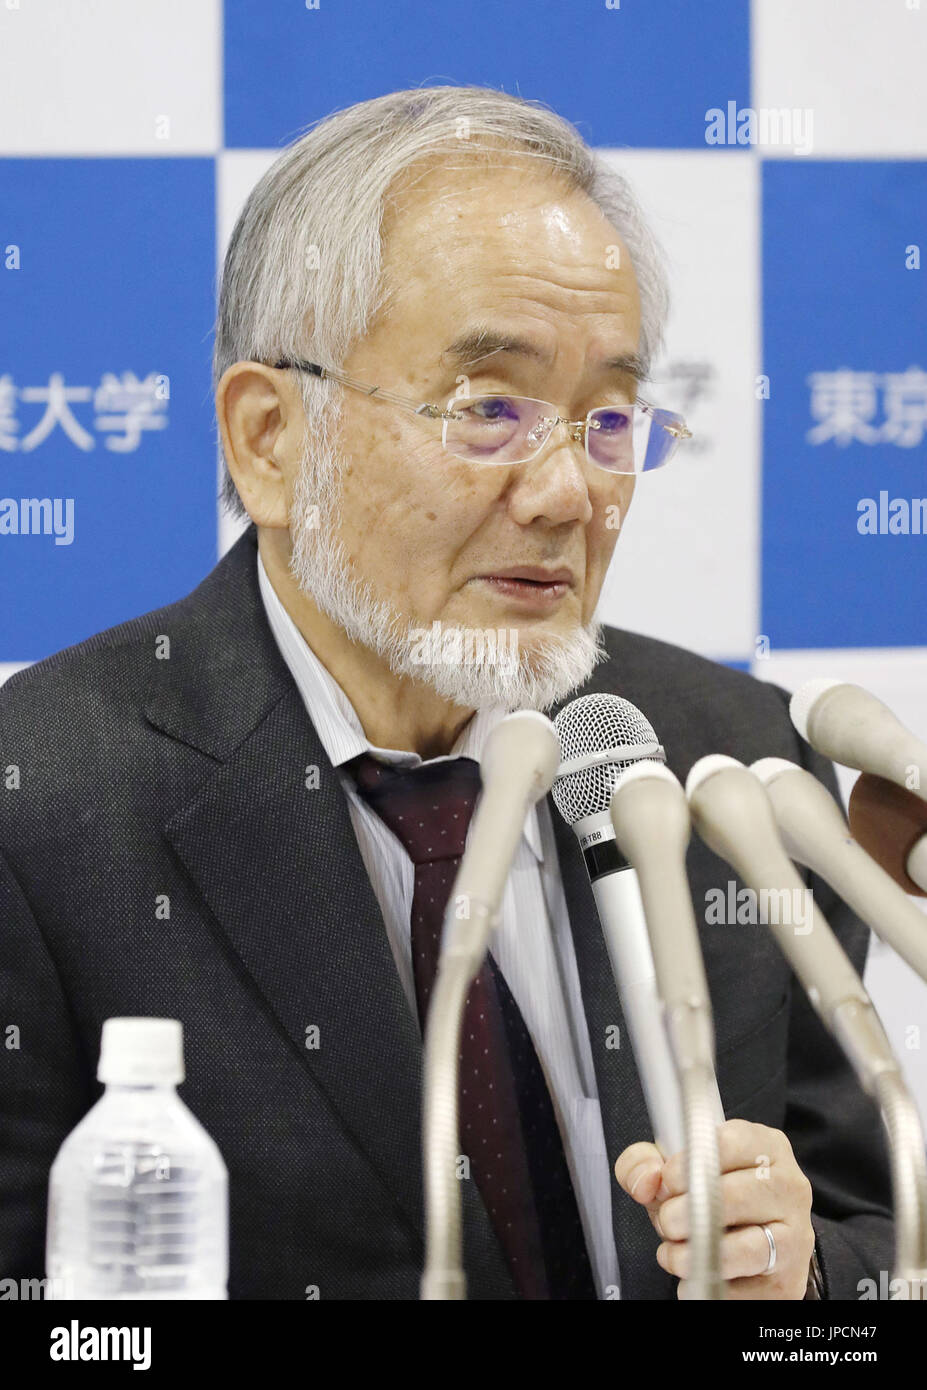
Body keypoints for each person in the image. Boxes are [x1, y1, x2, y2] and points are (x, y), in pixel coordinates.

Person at [0, 85, 892, 1300]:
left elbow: (875, 1232)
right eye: (492, 411)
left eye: (609, 417)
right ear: (271, 439)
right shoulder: (45, 803)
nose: (570, 493)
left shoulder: (725, 765)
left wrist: (810, 1284)